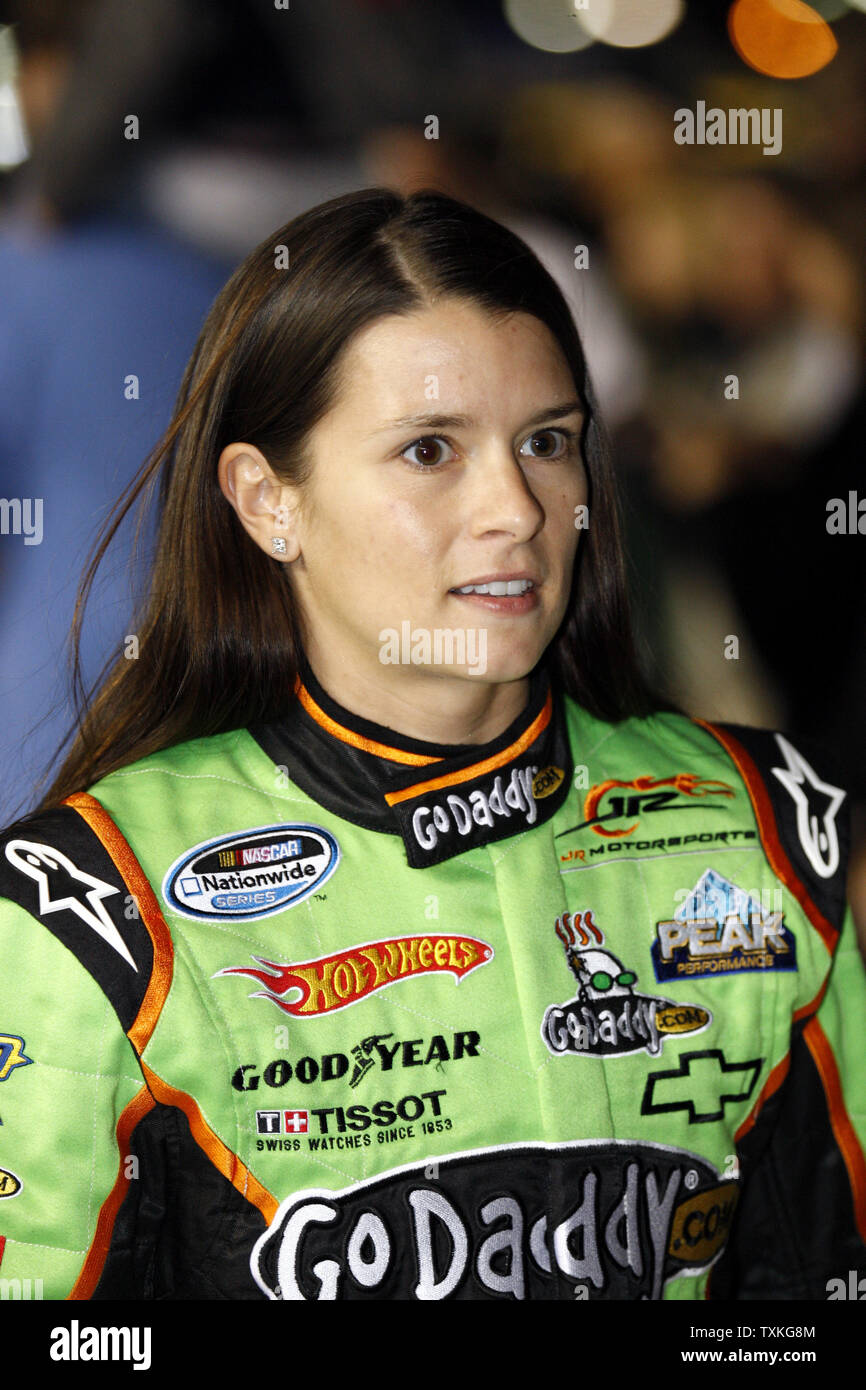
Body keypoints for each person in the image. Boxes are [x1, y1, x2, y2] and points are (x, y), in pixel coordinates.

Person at [0, 188, 863, 1302]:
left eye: (545, 442)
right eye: (428, 450)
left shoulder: (767, 828)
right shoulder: (92, 907)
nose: (515, 506)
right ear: (268, 503)